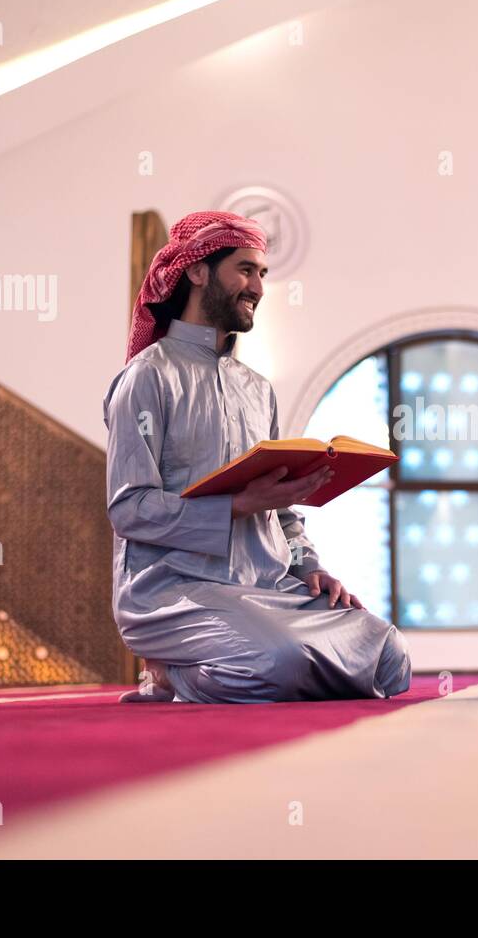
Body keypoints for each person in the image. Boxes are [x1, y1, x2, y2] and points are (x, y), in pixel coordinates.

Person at [104, 211, 411, 703]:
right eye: (246, 270)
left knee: (387, 654)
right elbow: (128, 510)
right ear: (198, 270)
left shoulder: (257, 389)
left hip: (269, 588)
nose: (258, 288)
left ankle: (238, 662)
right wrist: (236, 506)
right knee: (279, 661)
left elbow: (280, 510)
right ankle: (169, 674)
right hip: (175, 591)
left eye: (262, 274)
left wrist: (309, 568)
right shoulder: (147, 377)